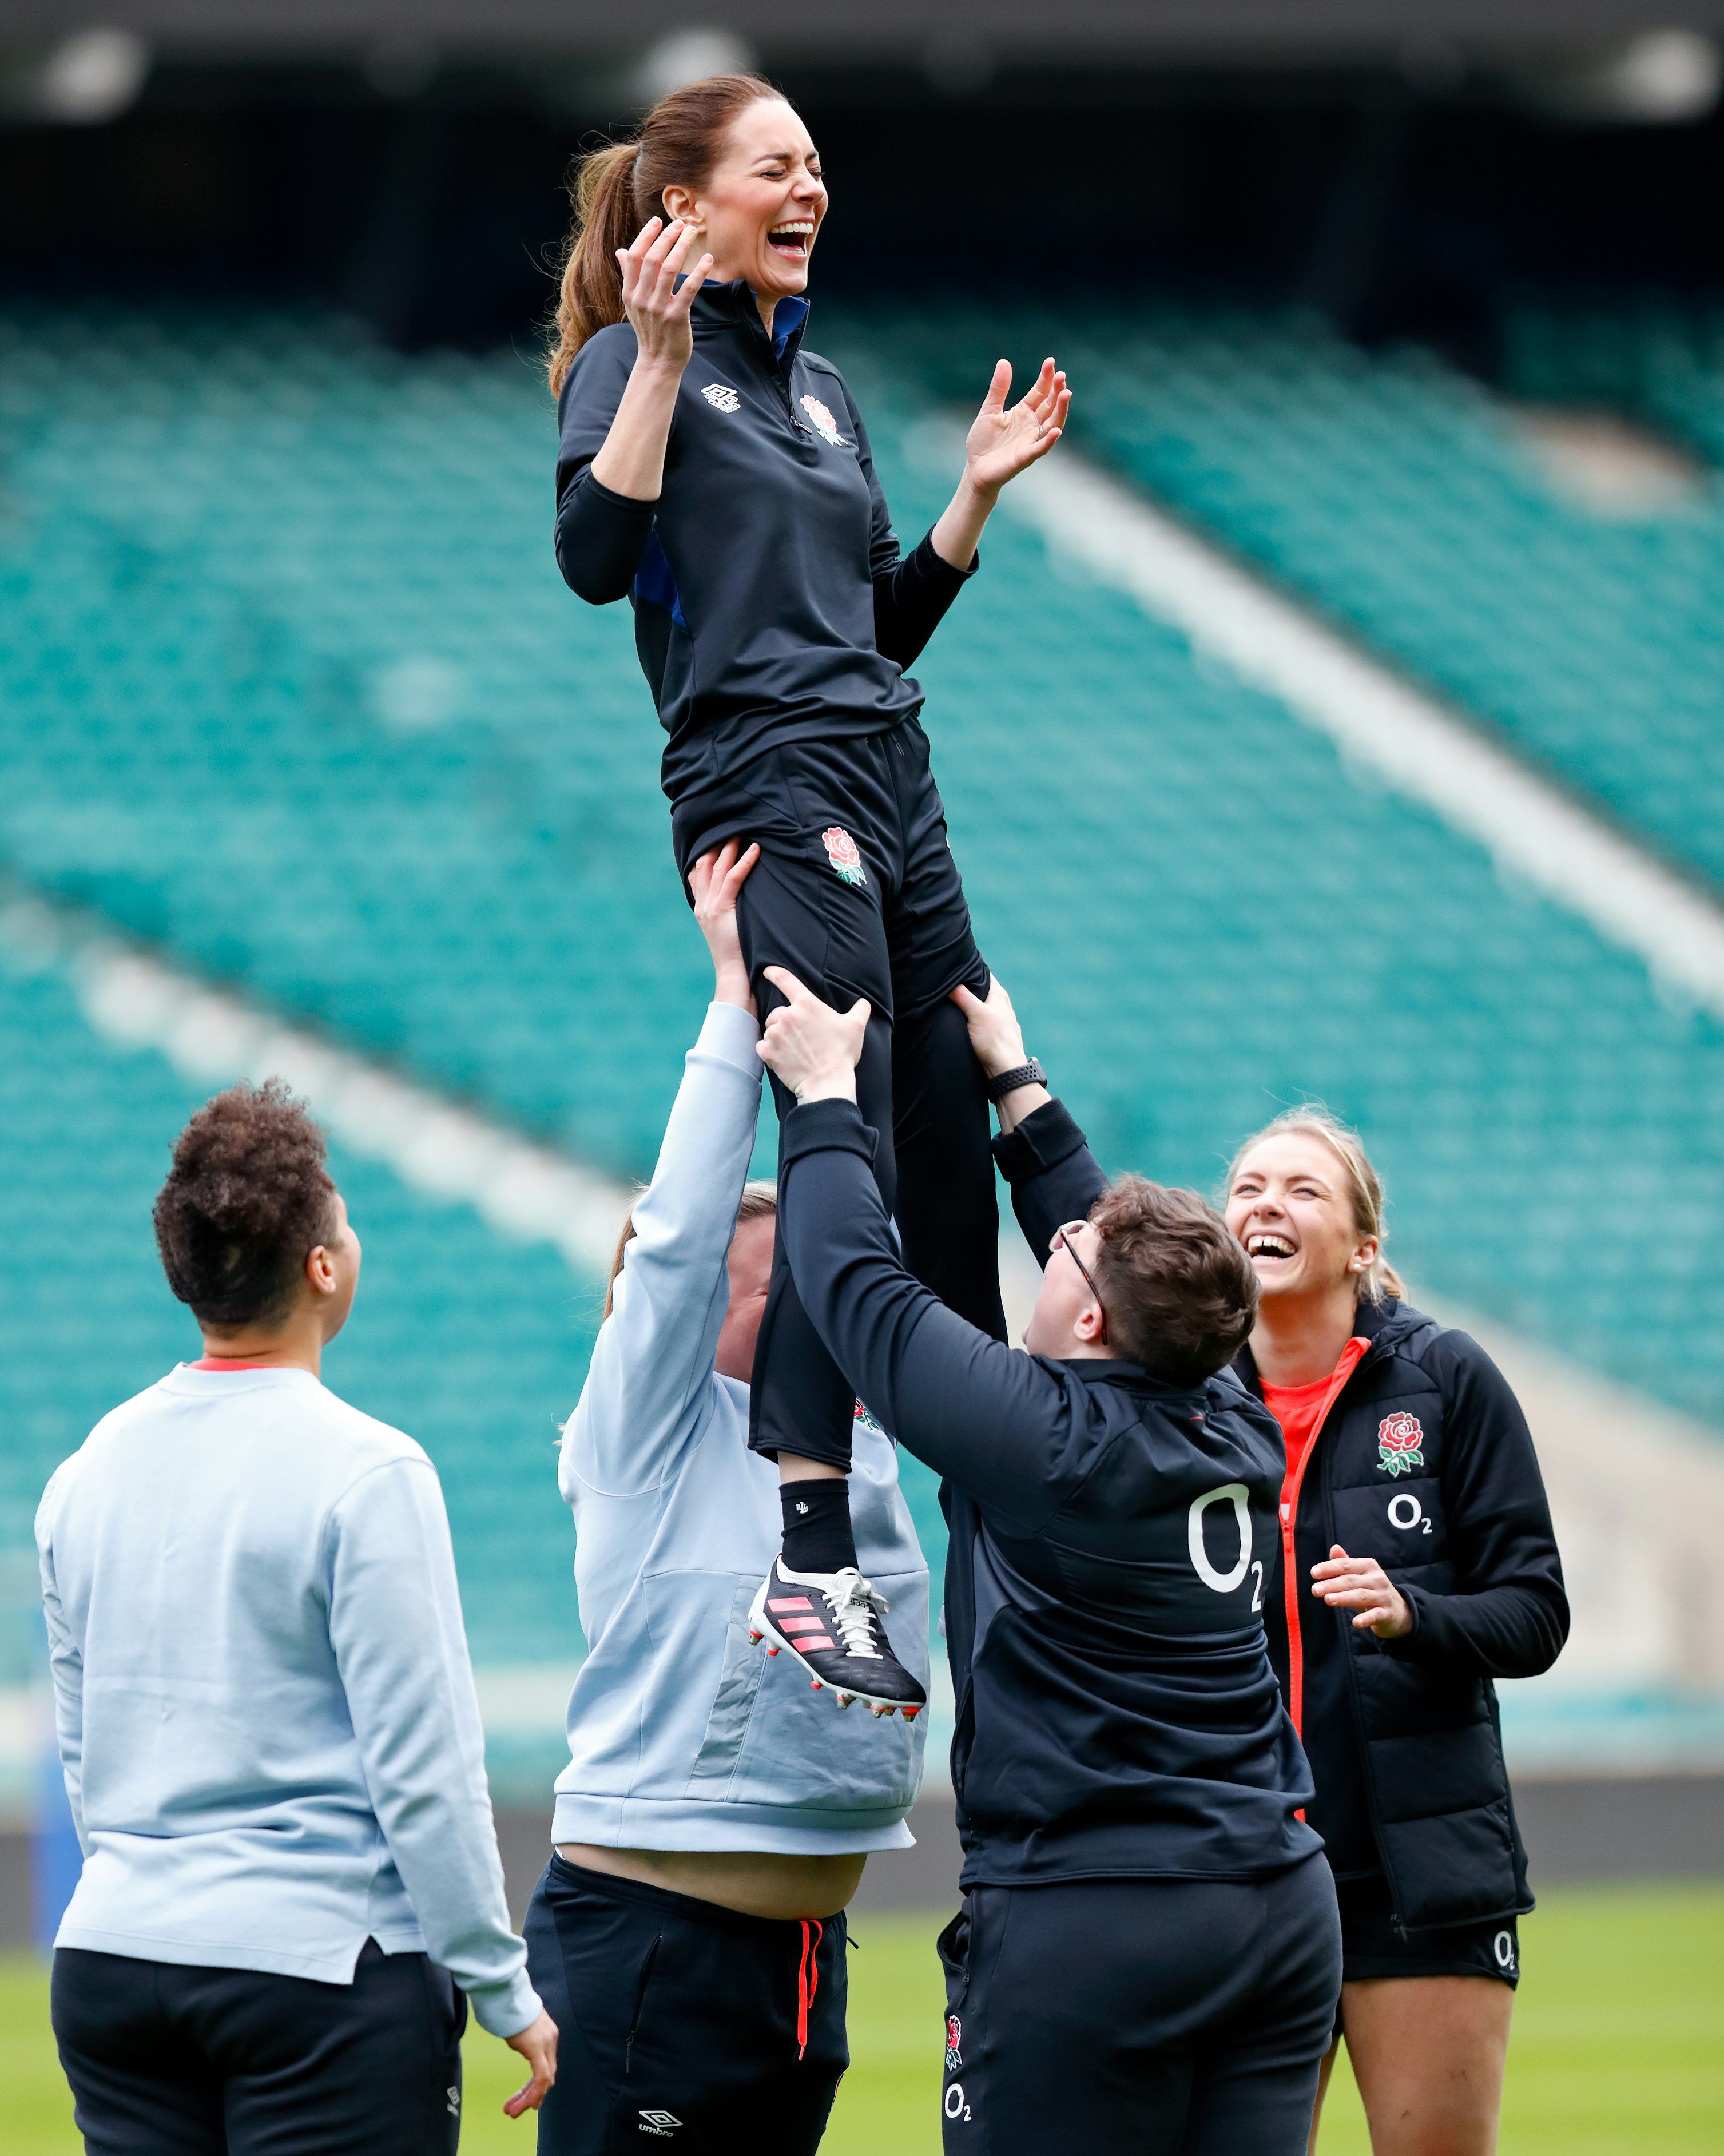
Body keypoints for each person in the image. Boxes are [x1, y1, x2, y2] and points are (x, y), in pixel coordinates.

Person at [549, 72, 1071, 1713]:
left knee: (944, 1163)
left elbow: (872, 632)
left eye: (818, 166)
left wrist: (970, 502)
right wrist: (658, 363)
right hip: (766, 782)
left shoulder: (826, 388)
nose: (810, 189)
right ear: (684, 205)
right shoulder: (631, 365)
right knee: (834, 1125)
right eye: (776, 166)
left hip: (890, 771)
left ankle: (1003, 1534)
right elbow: (590, 559)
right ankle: (810, 1544)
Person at [749, 965, 1342, 2156]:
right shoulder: (1230, 1404)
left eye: (1068, 1251)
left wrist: (823, 1101)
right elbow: (1132, 1260)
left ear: (1088, 1323)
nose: (1057, 1240)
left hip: (1095, 1911)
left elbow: (857, 1284)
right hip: (1276, 1899)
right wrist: (1018, 1085)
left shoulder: (1049, 1439)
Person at [36, 1081, 557, 2154]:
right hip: (319, 1972)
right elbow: (423, 1767)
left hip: (114, 1960)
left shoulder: (84, 1473)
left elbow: (87, 1749)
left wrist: (147, 1889)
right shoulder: (369, 1470)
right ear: (323, 1267)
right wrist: (500, 1985)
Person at [525, 839, 931, 2155]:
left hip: (803, 1962)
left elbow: (865, 1235)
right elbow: (675, 1245)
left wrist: (854, 1048)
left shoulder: (852, 1434)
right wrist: (734, 1007)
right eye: (763, 1285)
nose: (799, 1301)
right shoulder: (644, 1434)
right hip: (655, 1944)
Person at [1222, 1109, 1568, 2156]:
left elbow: (1536, 1610)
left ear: (1363, 1246)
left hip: (1414, 1873)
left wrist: (1416, 1614)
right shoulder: (1182, 1396)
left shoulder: (1447, 1377)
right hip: (1232, 1867)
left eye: (1303, 1189)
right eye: (1248, 1187)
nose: (1268, 1204)